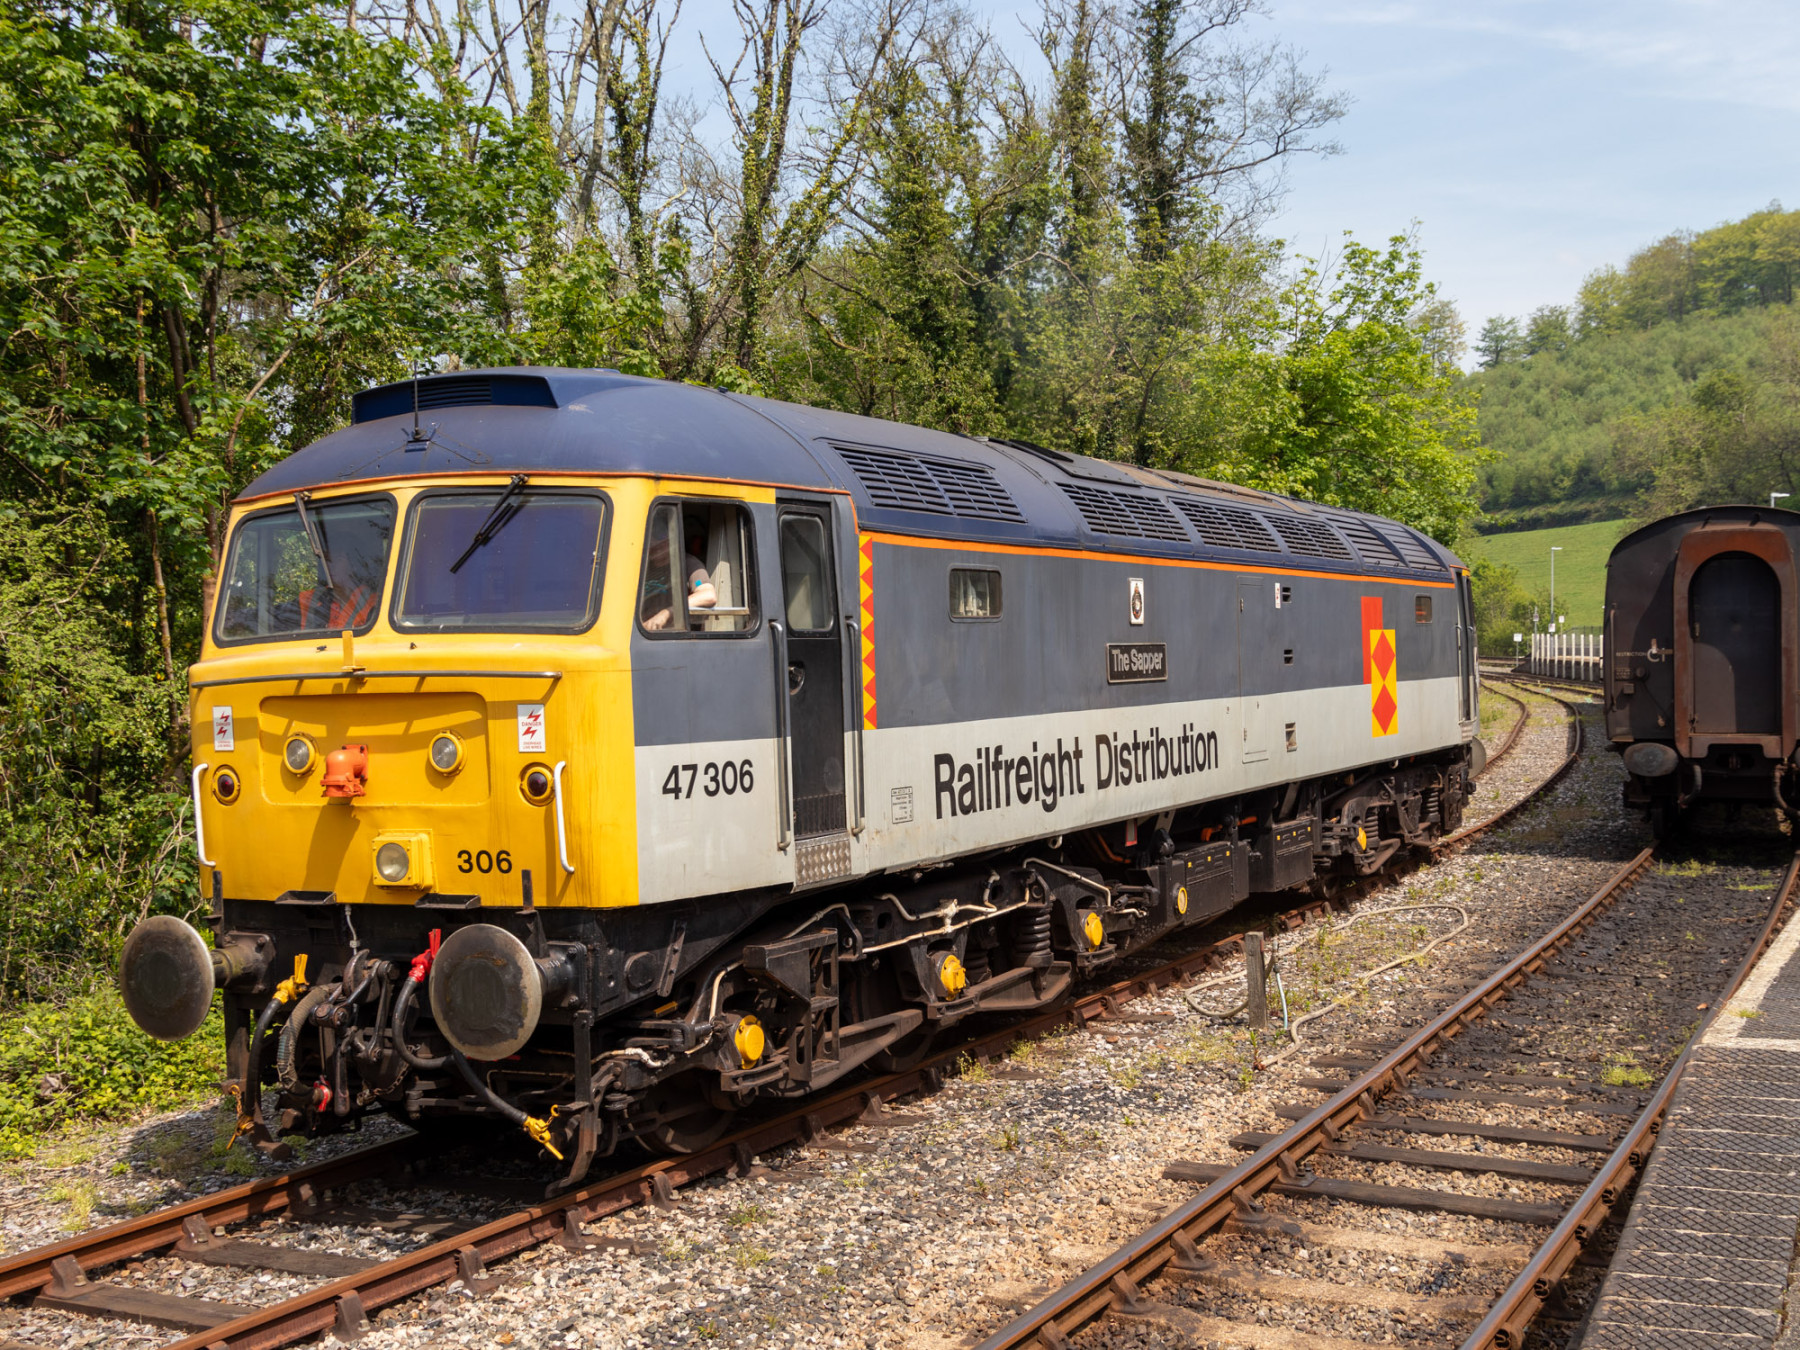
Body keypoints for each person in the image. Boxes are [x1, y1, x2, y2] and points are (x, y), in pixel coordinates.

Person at [640, 512, 716, 631]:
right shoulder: (641, 567)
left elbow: (708, 595)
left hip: (672, 635)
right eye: (653, 541)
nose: (658, 546)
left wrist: (667, 613)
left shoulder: (688, 564)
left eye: (662, 537)